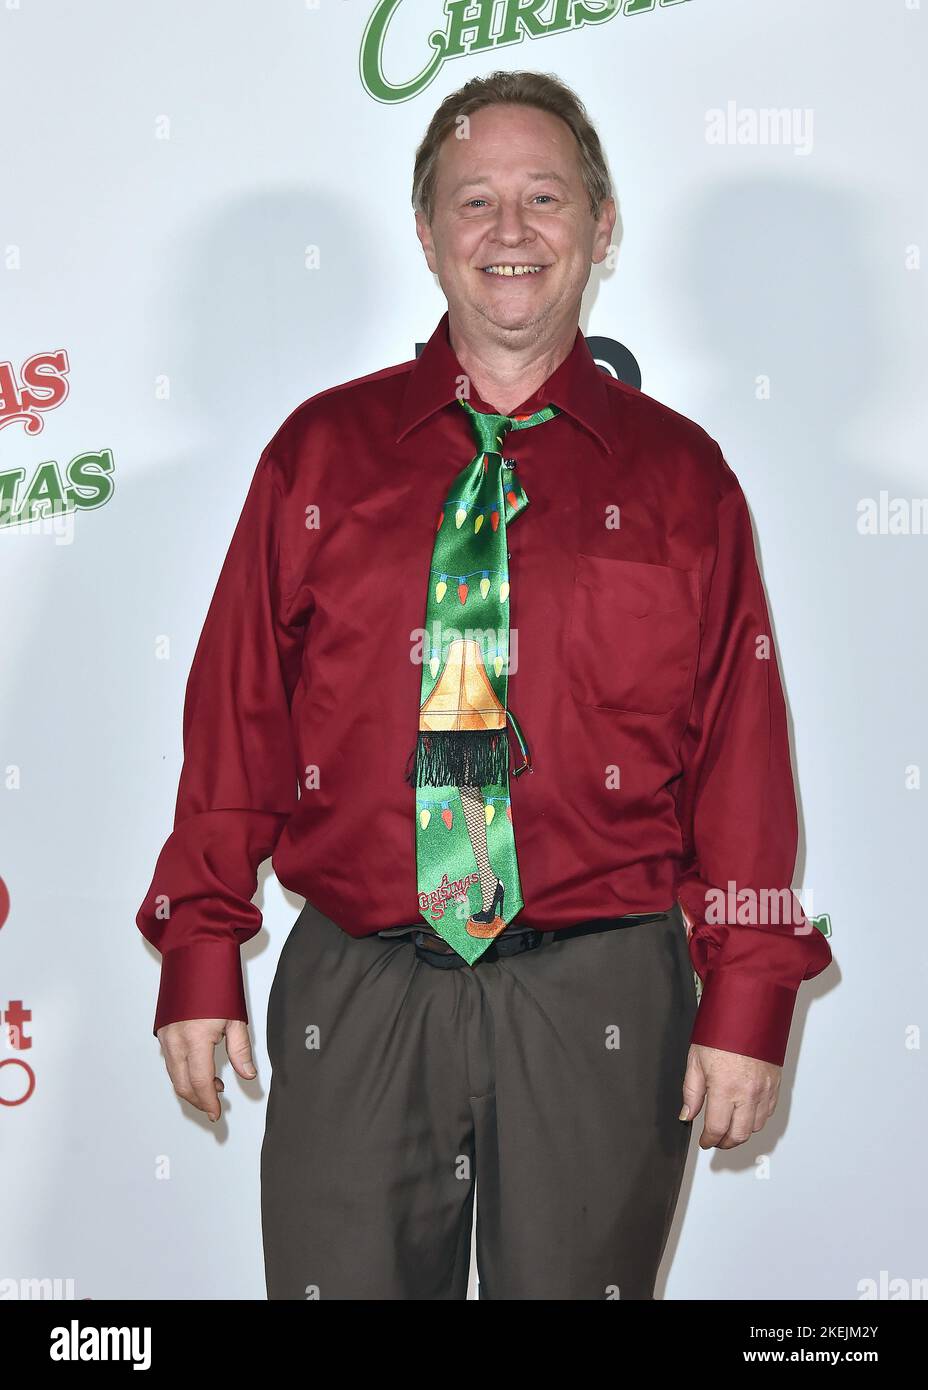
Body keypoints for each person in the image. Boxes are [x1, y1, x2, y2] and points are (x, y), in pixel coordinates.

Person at [137, 70, 832, 1300]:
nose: (509, 232)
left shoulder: (683, 479)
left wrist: (749, 989)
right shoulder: (319, 457)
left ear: (602, 226)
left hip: (600, 993)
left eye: (544, 197)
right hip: (358, 986)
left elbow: (740, 756)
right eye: (473, 202)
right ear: (426, 234)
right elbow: (236, 718)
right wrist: (200, 946)